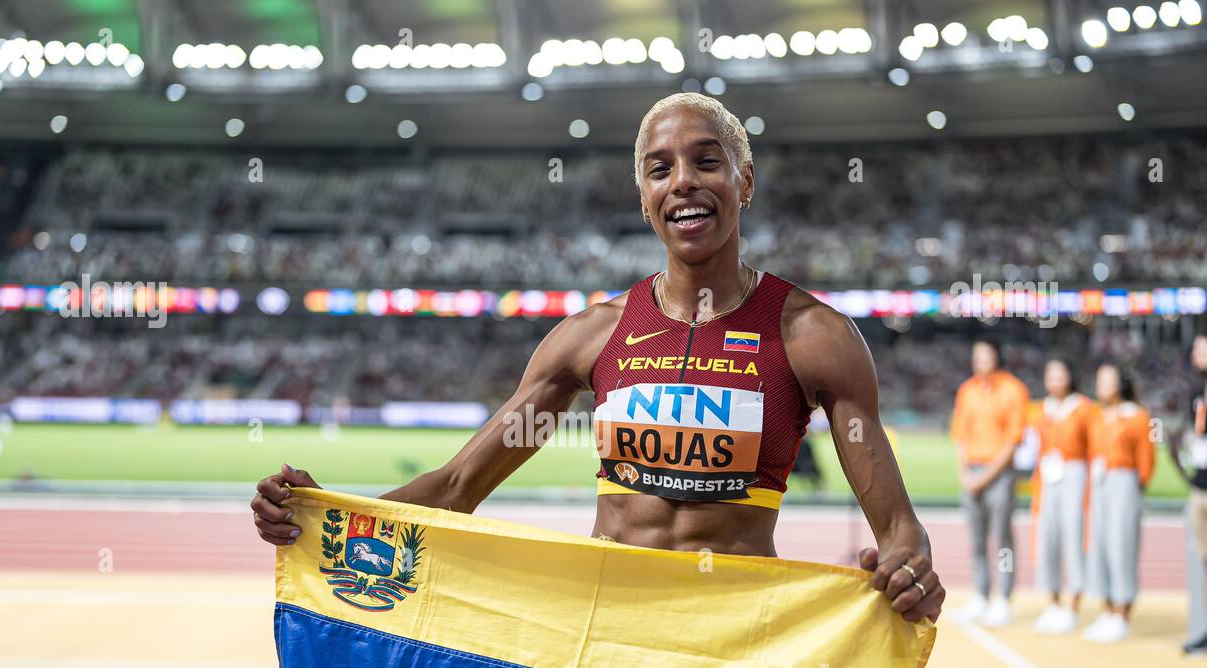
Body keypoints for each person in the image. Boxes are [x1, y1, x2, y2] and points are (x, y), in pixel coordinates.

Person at [251, 92, 945, 625]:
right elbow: (457, 486)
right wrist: (329, 519)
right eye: (659, 169)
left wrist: (910, 563)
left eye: (708, 161)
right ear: (644, 200)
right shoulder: (591, 335)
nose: (684, 183)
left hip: (734, 638)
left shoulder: (814, 335)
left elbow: (898, 528)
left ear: (745, 181)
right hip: (607, 634)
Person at [950, 340, 1030, 627]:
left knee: (1002, 538)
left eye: (985, 355)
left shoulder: (1013, 390)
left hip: (1000, 474)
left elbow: (1013, 441)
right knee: (977, 539)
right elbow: (960, 435)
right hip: (971, 472)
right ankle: (981, 594)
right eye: (976, 355)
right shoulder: (967, 390)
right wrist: (965, 474)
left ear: (997, 357)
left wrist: (984, 476)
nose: (979, 360)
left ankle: (1003, 598)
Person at [1083, 363, 1155, 644]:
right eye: (1099, 379)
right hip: (1099, 481)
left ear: (1120, 384)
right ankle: (1107, 609)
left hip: (1124, 481)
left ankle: (1123, 613)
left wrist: (1136, 485)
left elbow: (1146, 458)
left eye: (1107, 380)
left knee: (1121, 546)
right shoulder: (1097, 417)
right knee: (1100, 544)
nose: (1101, 385)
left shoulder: (1137, 416)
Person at [1030, 357, 1092, 634]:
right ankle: (1053, 602)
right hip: (1047, 474)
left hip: (1074, 473)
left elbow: (1094, 447)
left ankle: (1073, 604)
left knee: (1073, 536)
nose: (1054, 380)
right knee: (1048, 537)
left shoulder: (1084, 409)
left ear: (1070, 377)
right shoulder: (1039, 409)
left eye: (1059, 374)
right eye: (1050, 374)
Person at [1171, 332, 1207, 656]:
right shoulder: (1197, 392)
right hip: (1200, 487)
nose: (1196, 353)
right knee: (1204, 559)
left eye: (1201, 347)